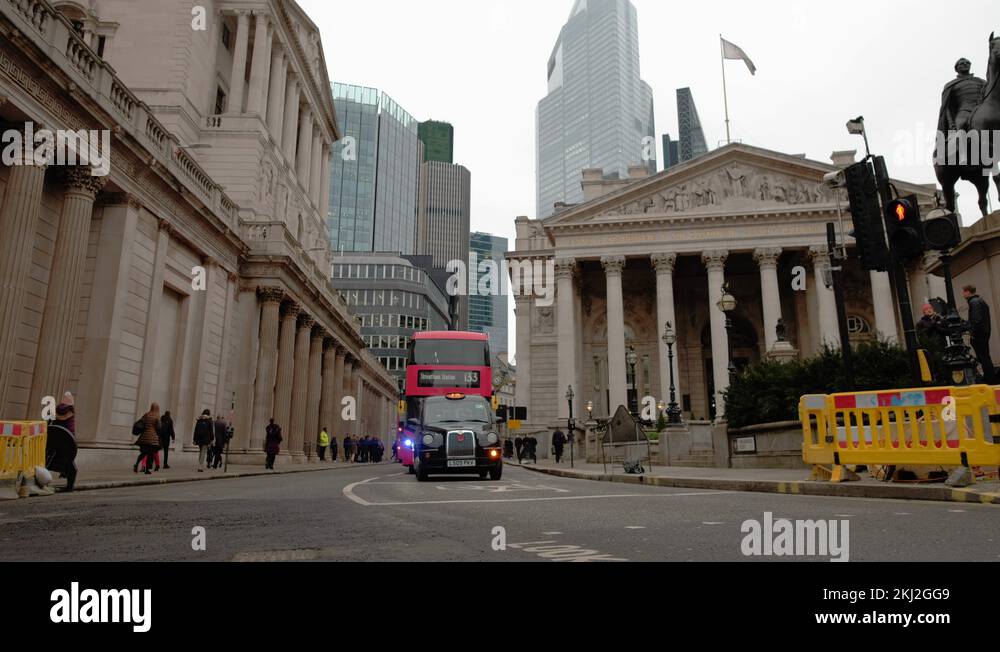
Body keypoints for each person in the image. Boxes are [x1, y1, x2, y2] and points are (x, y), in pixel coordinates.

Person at [964, 285, 996, 384]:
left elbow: (976, 319)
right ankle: (990, 377)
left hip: (979, 333)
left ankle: (990, 379)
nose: (963, 294)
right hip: (983, 332)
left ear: (968, 292)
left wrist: (972, 332)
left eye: (964, 292)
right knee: (985, 356)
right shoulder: (978, 301)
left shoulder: (974, 302)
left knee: (983, 356)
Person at [134, 403, 162, 475]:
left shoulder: (146, 414)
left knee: (143, 453)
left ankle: (136, 464)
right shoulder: (157, 416)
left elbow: (141, 422)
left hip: (144, 437)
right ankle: (146, 469)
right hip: (152, 439)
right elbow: (159, 427)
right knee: (150, 454)